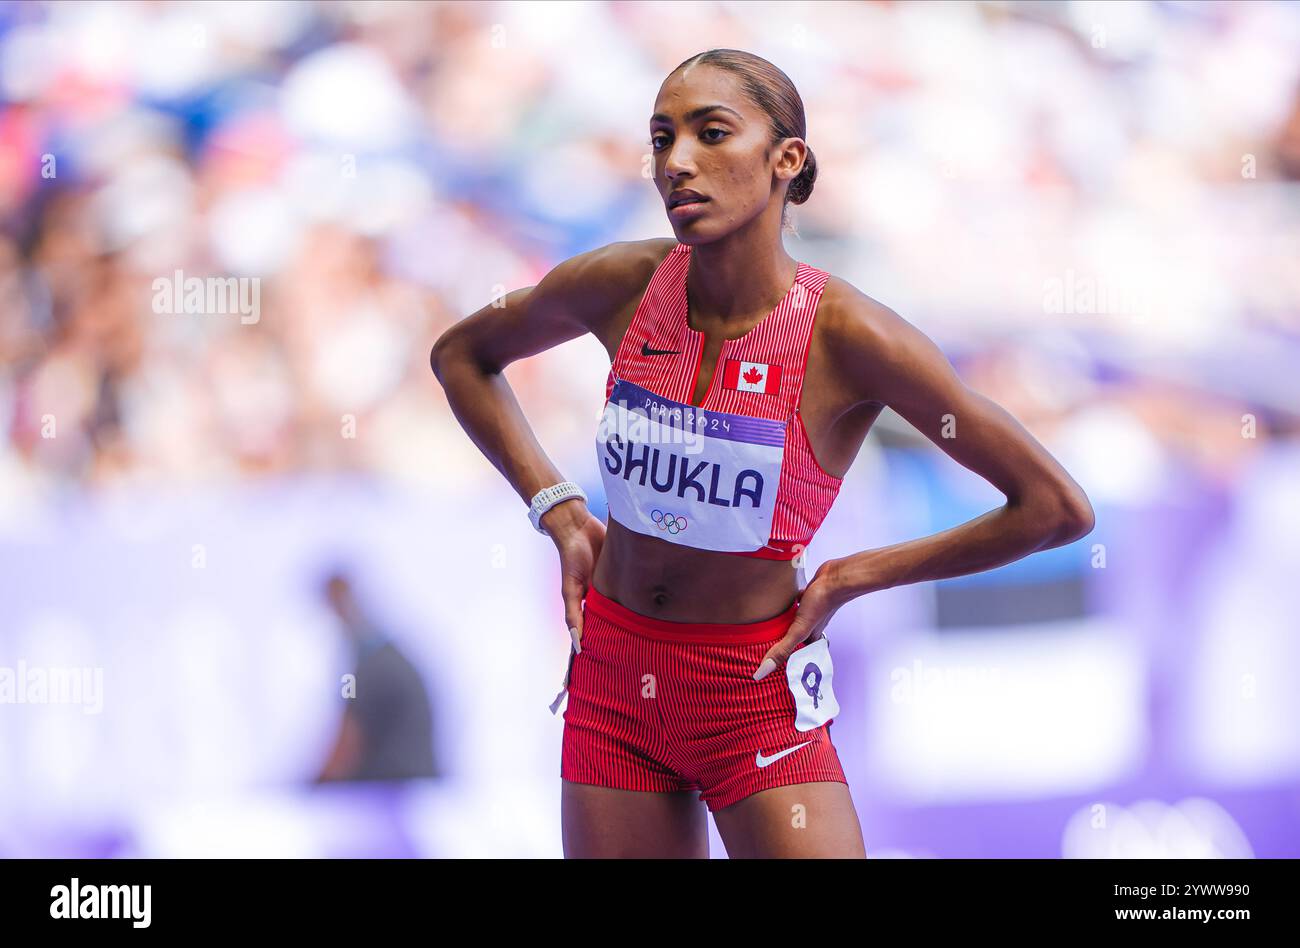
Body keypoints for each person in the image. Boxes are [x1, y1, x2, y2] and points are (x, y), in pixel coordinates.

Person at [431, 48, 1094, 858]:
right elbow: (462, 356)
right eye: (661, 139)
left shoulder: (853, 336)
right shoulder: (620, 283)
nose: (678, 163)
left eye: (712, 134)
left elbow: (1055, 508)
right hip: (612, 680)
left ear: (787, 160)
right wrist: (559, 510)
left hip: (752, 690)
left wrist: (854, 574)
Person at [315, 569, 440, 783]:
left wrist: (312, 785)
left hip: (390, 789)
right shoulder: (383, 654)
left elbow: (346, 743)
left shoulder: (367, 667)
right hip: (413, 785)